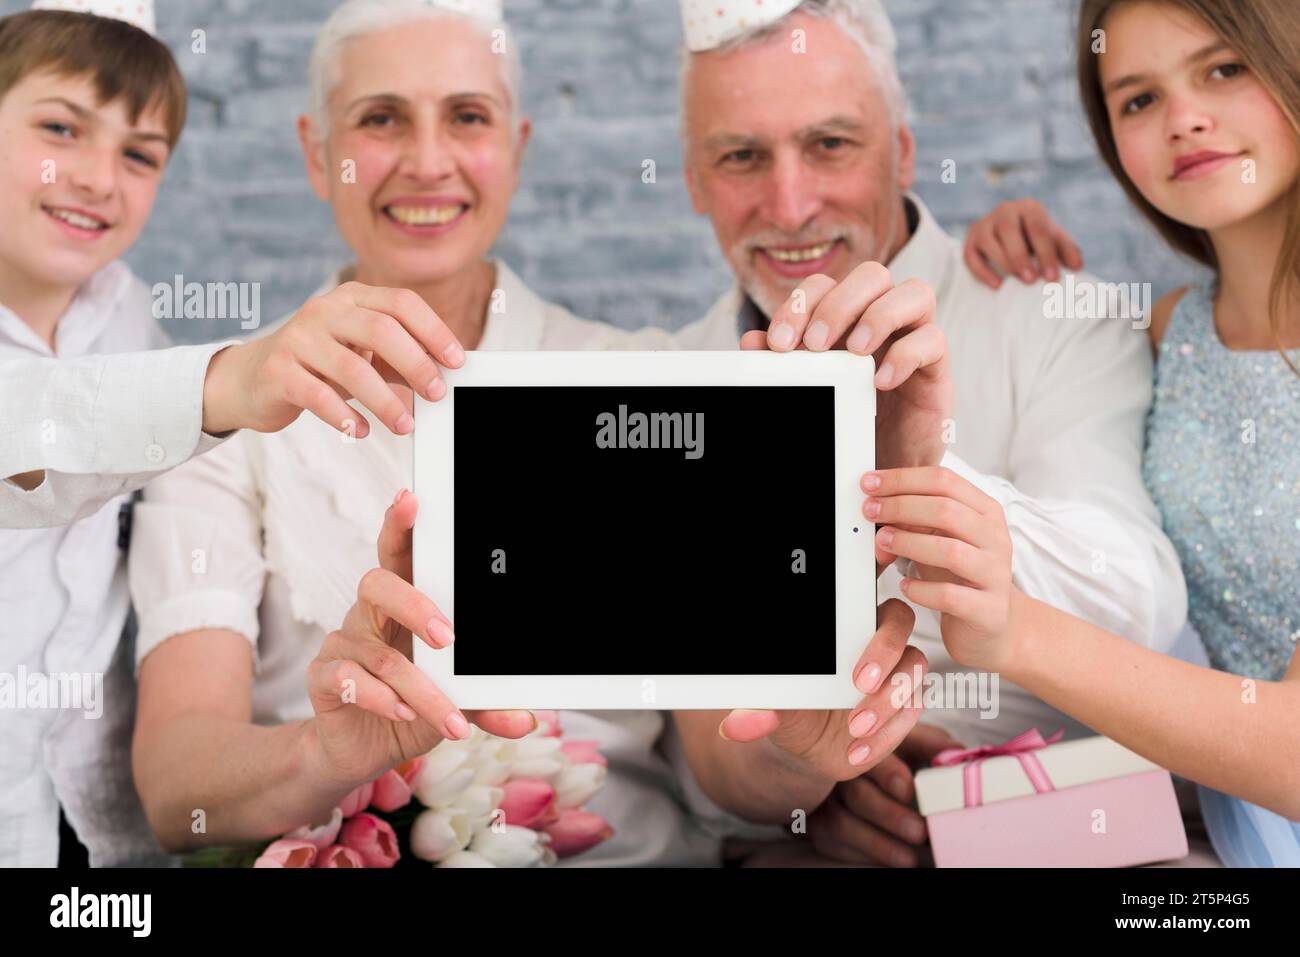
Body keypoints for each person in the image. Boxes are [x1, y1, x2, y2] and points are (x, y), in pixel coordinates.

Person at [125, 0, 946, 866]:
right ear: (317, 154)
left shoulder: (645, 379)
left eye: (467, 118)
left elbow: (723, 752)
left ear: (515, 147)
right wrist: (324, 756)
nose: (428, 162)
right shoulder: (228, 421)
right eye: (381, 119)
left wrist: (794, 754)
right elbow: (177, 787)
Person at [661, 0, 1189, 867]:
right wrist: (808, 781)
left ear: (902, 151)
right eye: (741, 157)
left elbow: (1140, 599)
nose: (790, 205)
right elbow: (701, 757)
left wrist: (919, 470)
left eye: (831, 144)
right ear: (690, 178)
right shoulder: (674, 386)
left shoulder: (1050, 309)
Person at [0, 0, 520, 867]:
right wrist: (231, 379)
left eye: (138, 154)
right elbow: (30, 427)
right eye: (61, 128)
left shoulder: (128, 317)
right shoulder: (200, 380)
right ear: (317, 154)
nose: (97, 177)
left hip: (86, 834)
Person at [914, 0, 1300, 866]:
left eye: (1224, 69)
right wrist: (1007, 274)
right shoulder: (1166, 334)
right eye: (1137, 99)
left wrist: (1011, 627)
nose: (1184, 119)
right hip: (1242, 832)